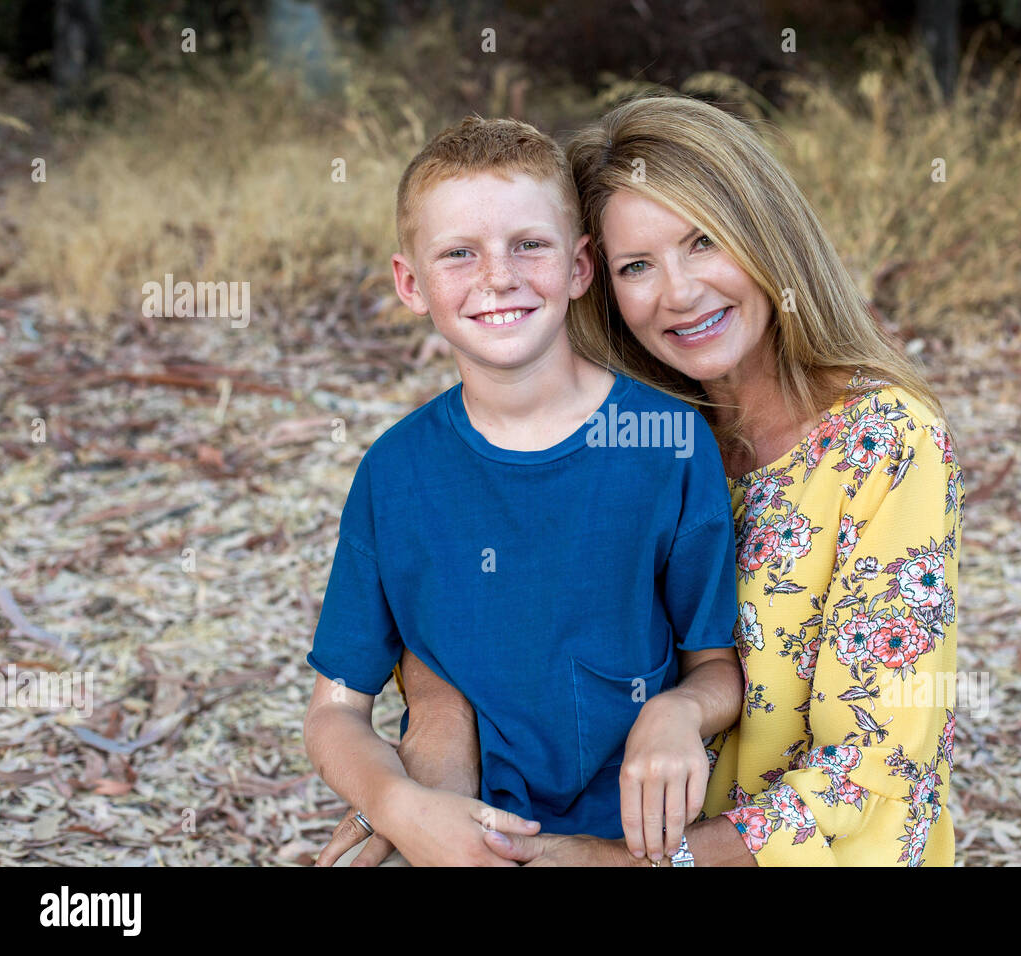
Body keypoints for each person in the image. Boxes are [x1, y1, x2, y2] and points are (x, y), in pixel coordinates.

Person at [318, 94, 964, 867]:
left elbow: (876, 771)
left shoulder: (884, 444)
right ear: (600, 276)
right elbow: (471, 601)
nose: (679, 292)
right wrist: (413, 780)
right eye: (637, 266)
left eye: (704, 242)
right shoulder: (631, 424)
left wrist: (611, 860)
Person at [303, 114, 743, 866]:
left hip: (623, 848)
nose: (498, 277)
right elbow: (335, 711)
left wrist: (676, 711)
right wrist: (399, 805)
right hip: (454, 837)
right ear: (411, 283)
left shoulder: (666, 442)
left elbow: (716, 665)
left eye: (527, 245)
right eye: (459, 254)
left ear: (579, 268)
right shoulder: (395, 472)